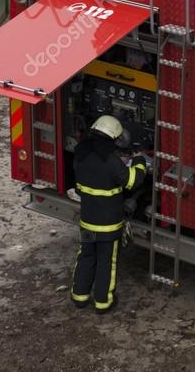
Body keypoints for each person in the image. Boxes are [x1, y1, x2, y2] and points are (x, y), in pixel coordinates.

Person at [70, 115, 148, 313]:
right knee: (106, 261)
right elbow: (132, 181)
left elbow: (79, 188)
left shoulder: (81, 156)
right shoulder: (111, 162)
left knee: (86, 256)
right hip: (108, 226)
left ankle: (79, 297)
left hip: (87, 223)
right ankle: (103, 303)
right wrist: (139, 159)